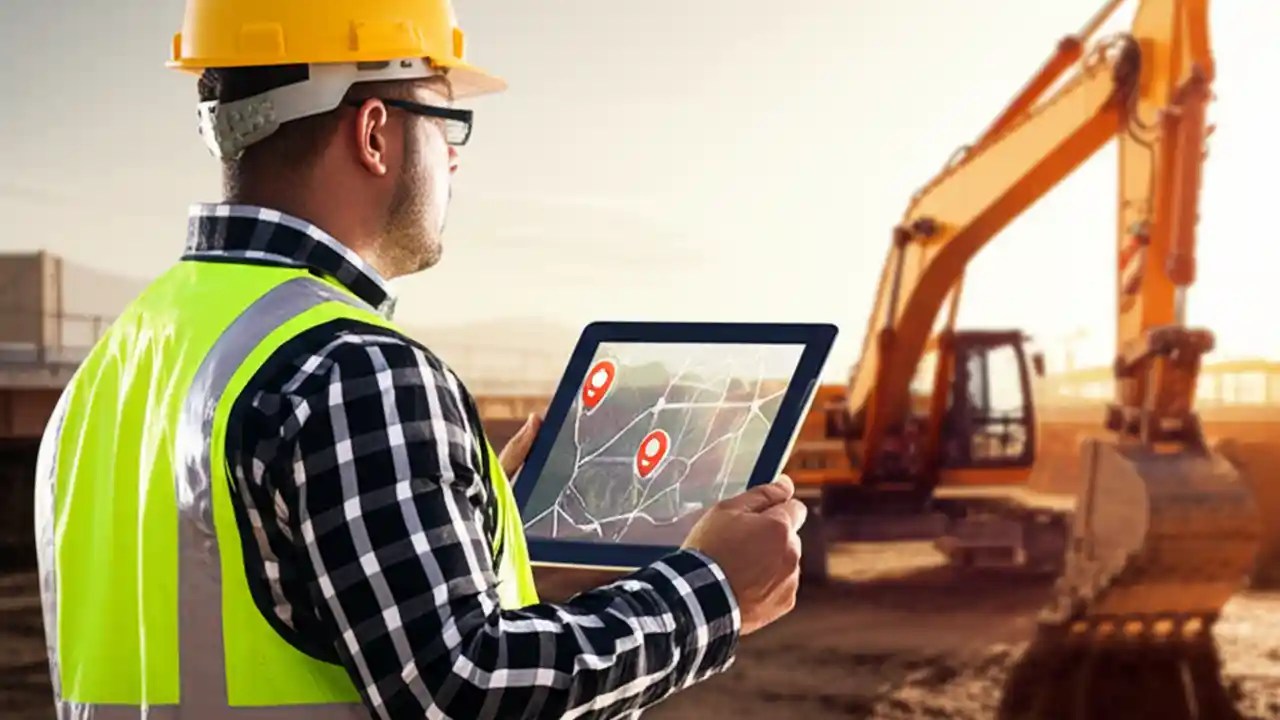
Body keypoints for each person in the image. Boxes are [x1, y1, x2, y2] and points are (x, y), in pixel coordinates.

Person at [32, 1, 808, 718]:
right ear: (375, 132)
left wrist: (469, 520)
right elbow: (465, 693)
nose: (456, 162)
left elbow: (230, 582)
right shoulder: (351, 370)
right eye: (448, 122)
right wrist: (711, 594)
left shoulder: (117, 364)